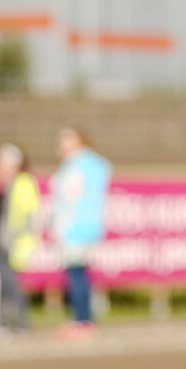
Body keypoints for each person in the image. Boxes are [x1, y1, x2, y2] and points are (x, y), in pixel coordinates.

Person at [50, 127, 111, 340]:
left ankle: (83, 320)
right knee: (80, 275)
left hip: (74, 228)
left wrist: (59, 227)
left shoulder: (75, 166)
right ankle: (83, 319)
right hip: (87, 227)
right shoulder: (93, 164)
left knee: (76, 276)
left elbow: (69, 200)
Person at [0, 143, 42, 334]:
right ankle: (5, 321)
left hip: (14, 243)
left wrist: (15, 238)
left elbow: (27, 216)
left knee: (11, 284)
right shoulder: (9, 186)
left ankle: (19, 322)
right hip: (6, 241)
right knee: (4, 283)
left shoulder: (22, 184)